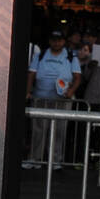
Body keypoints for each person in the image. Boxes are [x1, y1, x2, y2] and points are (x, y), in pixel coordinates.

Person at [24, 28, 80, 169]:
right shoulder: (41, 55)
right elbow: (31, 73)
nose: (56, 43)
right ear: (50, 41)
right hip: (40, 97)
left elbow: (78, 77)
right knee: (38, 130)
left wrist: (71, 91)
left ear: (64, 41)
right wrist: (28, 91)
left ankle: (55, 160)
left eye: (59, 40)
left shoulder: (71, 56)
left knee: (59, 130)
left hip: (62, 99)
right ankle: (34, 159)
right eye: (54, 40)